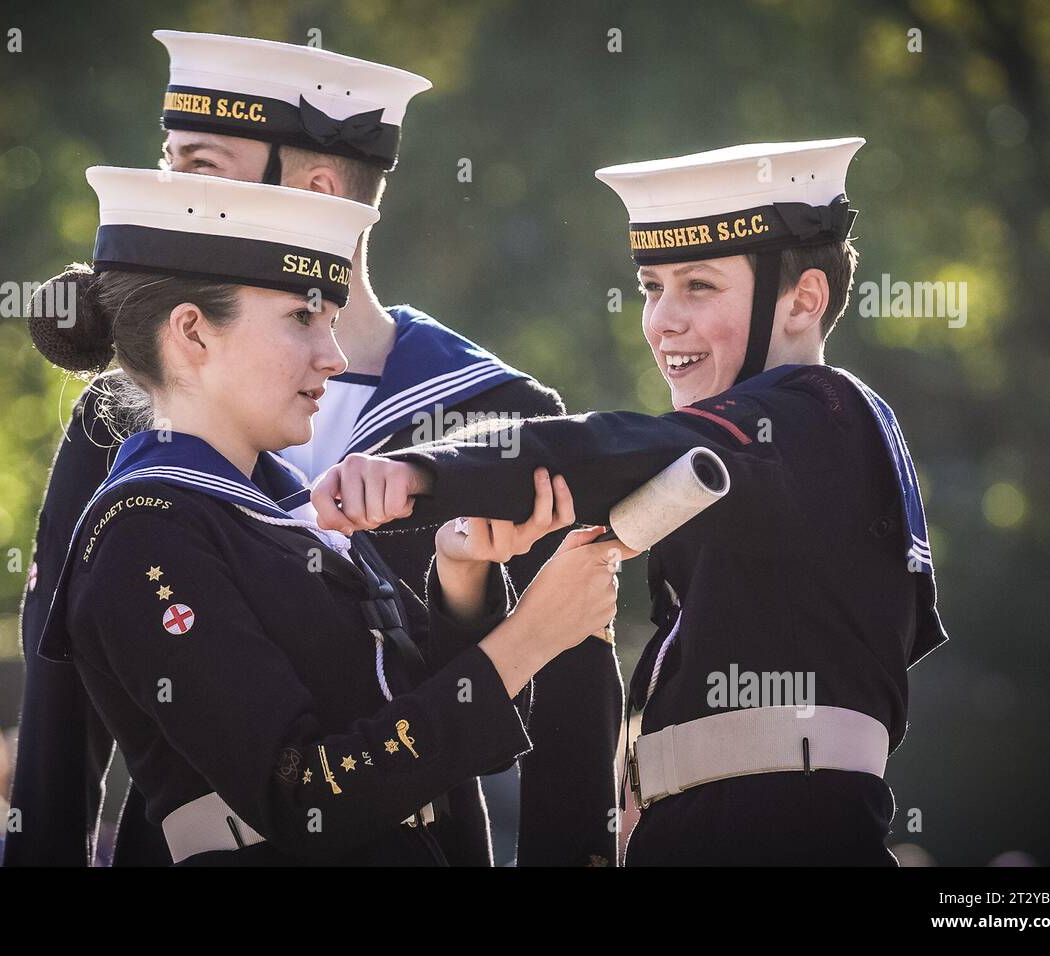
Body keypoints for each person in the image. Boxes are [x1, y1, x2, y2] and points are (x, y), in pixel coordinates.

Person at [8, 32, 619, 868]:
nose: (170, 194)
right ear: (191, 336)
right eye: (169, 164)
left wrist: (469, 582)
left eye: (200, 167)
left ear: (319, 188)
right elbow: (66, 706)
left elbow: (545, 701)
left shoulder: (493, 409)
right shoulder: (125, 428)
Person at [312, 138, 950, 865]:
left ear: (805, 299)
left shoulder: (815, 411)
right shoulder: (759, 470)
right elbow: (557, 691)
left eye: (699, 286)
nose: (663, 321)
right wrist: (466, 572)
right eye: (652, 287)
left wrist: (426, 473)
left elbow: (618, 445)